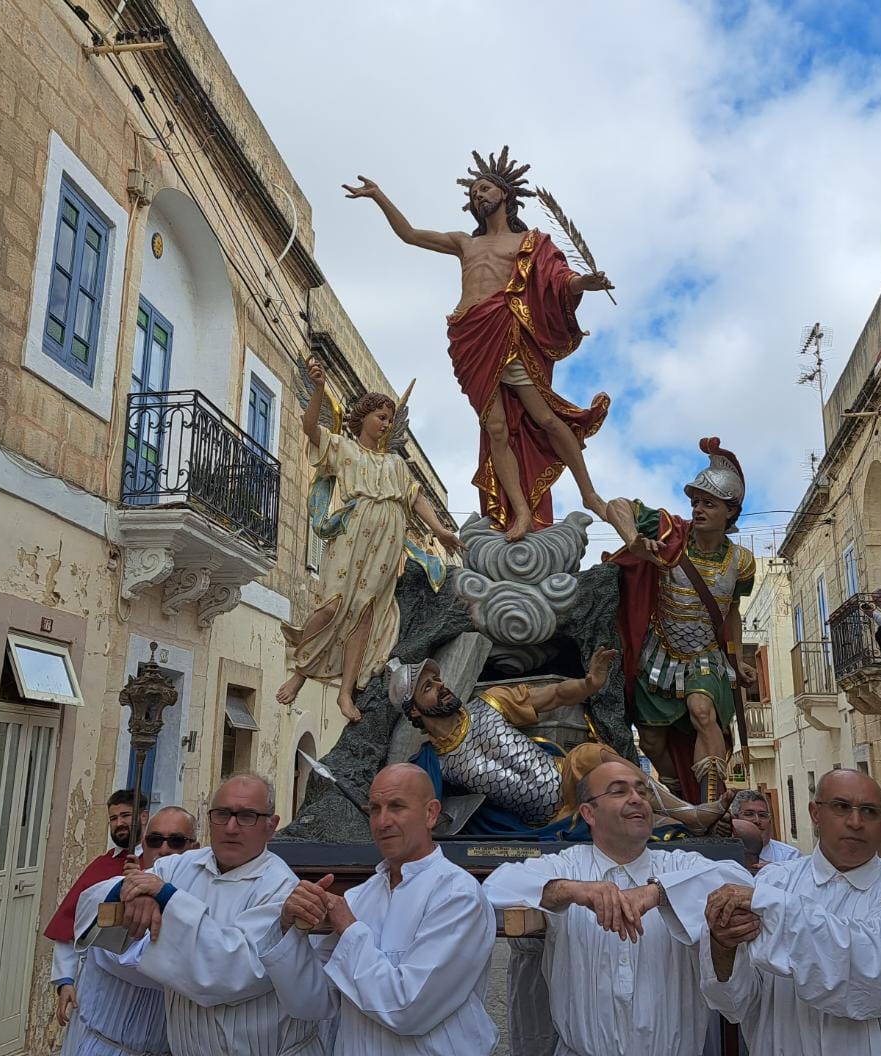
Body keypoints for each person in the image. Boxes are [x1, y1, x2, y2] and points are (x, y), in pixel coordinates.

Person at [344, 149, 613, 542]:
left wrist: (582, 284)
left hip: (507, 331)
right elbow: (411, 235)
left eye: (484, 189)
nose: (478, 196)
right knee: (496, 428)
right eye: (473, 193)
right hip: (470, 338)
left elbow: (557, 279)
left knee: (546, 416)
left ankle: (589, 493)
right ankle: (519, 513)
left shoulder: (530, 241)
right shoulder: (464, 244)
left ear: (504, 194)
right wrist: (380, 196)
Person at [482, 758, 755, 1056]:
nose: (636, 799)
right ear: (588, 812)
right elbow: (496, 888)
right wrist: (572, 890)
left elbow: (741, 881)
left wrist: (658, 892)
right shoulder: (567, 865)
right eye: (619, 791)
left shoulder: (678, 864)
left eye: (642, 791)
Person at [700, 768, 881, 1055]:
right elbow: (735, 1004)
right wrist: (723, 945)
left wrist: (773, 907)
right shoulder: (776, 882)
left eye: (869, 812)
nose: (855, 822)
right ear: (815, 813)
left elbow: (878, 978)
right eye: (841, 807)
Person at [262, 763, 498, 1054]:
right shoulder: (359, 897)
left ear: (431, 813)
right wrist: (289, 929)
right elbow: (313, 1002)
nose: (382, 821)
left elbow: (408, 1009)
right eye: (375, 809)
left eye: (397, 806)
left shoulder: (457, 896)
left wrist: (349, 929)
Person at [276, 357, 461, 724]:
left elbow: (415, 497)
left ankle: (345, 692)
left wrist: (439, 530)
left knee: (365, 614)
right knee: (331, 605)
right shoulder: (344, 450)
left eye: (390, 419)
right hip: (353, 533)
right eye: (381, 417)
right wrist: (317, 390)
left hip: (387, 540)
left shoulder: (395, 465)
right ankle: (300, 672)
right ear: (363, 418)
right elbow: (310, 427)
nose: (386, 424)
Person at [104, 774, 329, 1055]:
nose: (231, 827)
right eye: (222, 814)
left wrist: (165, 899)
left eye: (247, 816)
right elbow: (97, 900)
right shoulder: (180, 866)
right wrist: (137, 895)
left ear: (271, 826)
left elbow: (228, 970)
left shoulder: (281, 887)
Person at [609, 438, 758, 804]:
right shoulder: (671, 536)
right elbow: (617, 506)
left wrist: (736, 658)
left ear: (730, 511)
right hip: (658, 654)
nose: (699, 509)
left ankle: (709, 801)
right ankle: (680, 798)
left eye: (709, 503)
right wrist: (633, 540)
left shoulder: (743, 562)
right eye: (695, 502)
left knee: (703, 711)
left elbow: (732, 610)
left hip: (705, 655)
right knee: (652, 741)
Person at [61, 806, 197, 1056]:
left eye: (176, 841)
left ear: (194, 849)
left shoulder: (198, 907)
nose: (164, 849)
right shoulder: (113, 889)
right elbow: (119, 953)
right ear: (143, 844)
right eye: (155, 840)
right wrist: (133, 888)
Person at [46, 788, 150, 1025]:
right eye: (114, 818)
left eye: (126, 815)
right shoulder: (100, 866)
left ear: (143, 817)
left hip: (139, 988)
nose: (119, 823)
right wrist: (66, 981)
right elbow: (69, 926)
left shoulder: (159, 865)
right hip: (93, 984)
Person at [722, 789, 800, 865]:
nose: (757, 821)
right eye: (749, 814)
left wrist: (776, 872)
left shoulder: (790, 857)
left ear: (770, 821)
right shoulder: (722, 855)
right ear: (734, 819)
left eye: (763, 815)